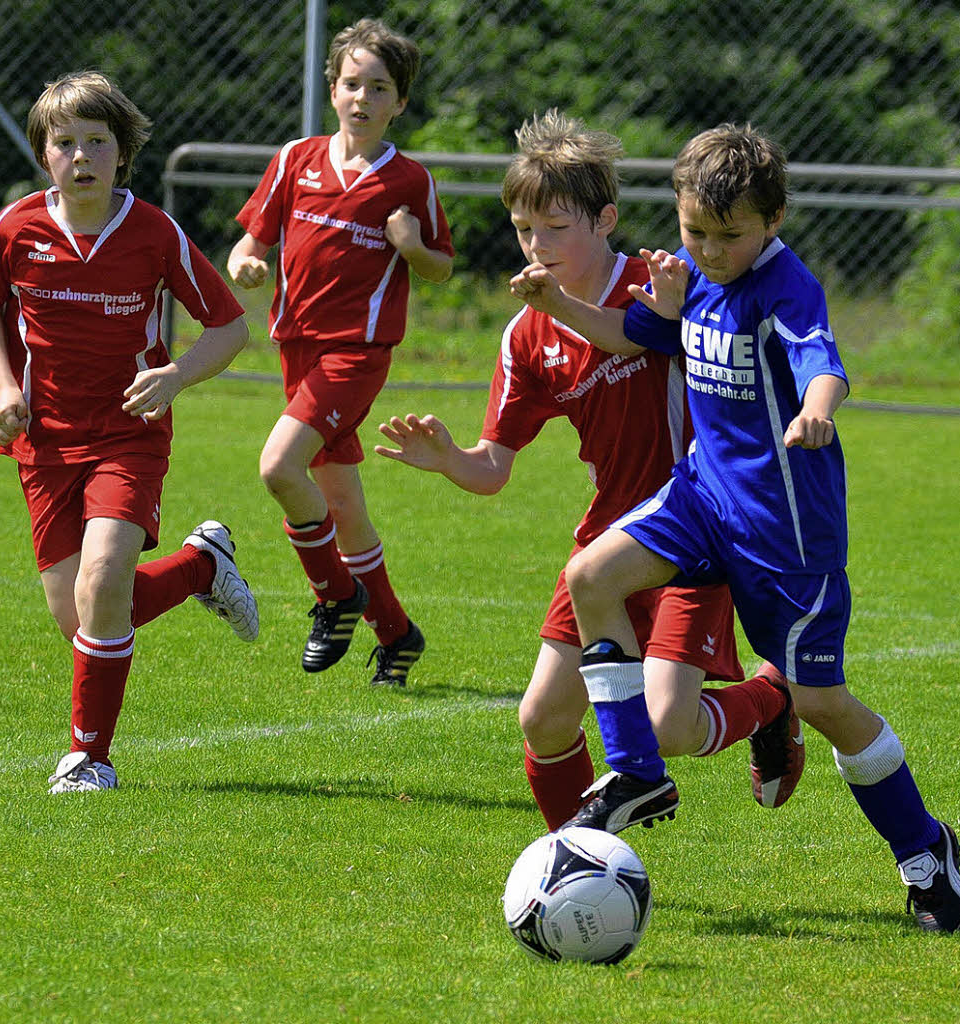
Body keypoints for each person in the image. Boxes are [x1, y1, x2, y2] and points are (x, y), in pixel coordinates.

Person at [511, 121, 960, 931]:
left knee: (823, 701)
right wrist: (561, 304)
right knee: (591, 577)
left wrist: (816, 413)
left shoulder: (785, 287)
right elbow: (633, 333)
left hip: (787, 534)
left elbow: (820, 360)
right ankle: (637, 772)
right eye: (695, 231)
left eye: (729, 236)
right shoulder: (690, 277)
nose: (711, 250)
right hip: (702, 500)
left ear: (773, 222)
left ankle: (926, 850)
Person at [376, 109, 803, 831]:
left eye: (554, 227)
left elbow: (692, 343)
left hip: (695, 528)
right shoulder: (524, 333)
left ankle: (771, 700)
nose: (536, 246)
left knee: (669, 727)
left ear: (604, 220)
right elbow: (493, 469)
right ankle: (580, 865)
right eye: (522, 229)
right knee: (542, 719)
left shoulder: (660, 283)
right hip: (609, 536)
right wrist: (449, 460)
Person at [0, 71, 258, 794]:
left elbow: (229, 326)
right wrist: (5, 386)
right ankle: (202, 566)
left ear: (122, 152)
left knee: (105, 579)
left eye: (97, 142)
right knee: (82, 608)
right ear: (44, 153)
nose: (82, 157)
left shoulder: (153, 231)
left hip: (127, 432)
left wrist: (174, 378)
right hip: (44, 440)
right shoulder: (13, 228)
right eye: (65, 142)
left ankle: (89, 758)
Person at [227, 18, 454, 687]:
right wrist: (246, 264)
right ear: (332, 89)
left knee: (277, 468)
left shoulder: (409, 181)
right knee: (343, 506)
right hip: (295, 349)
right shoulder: (295, 159)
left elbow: (440, 265)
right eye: (352, 83)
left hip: (355, 355)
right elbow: (252, 242)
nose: (362, 97)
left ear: (399, 102)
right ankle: (396, 632)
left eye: (378, 87)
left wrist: (411, 247)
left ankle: (335, 596)